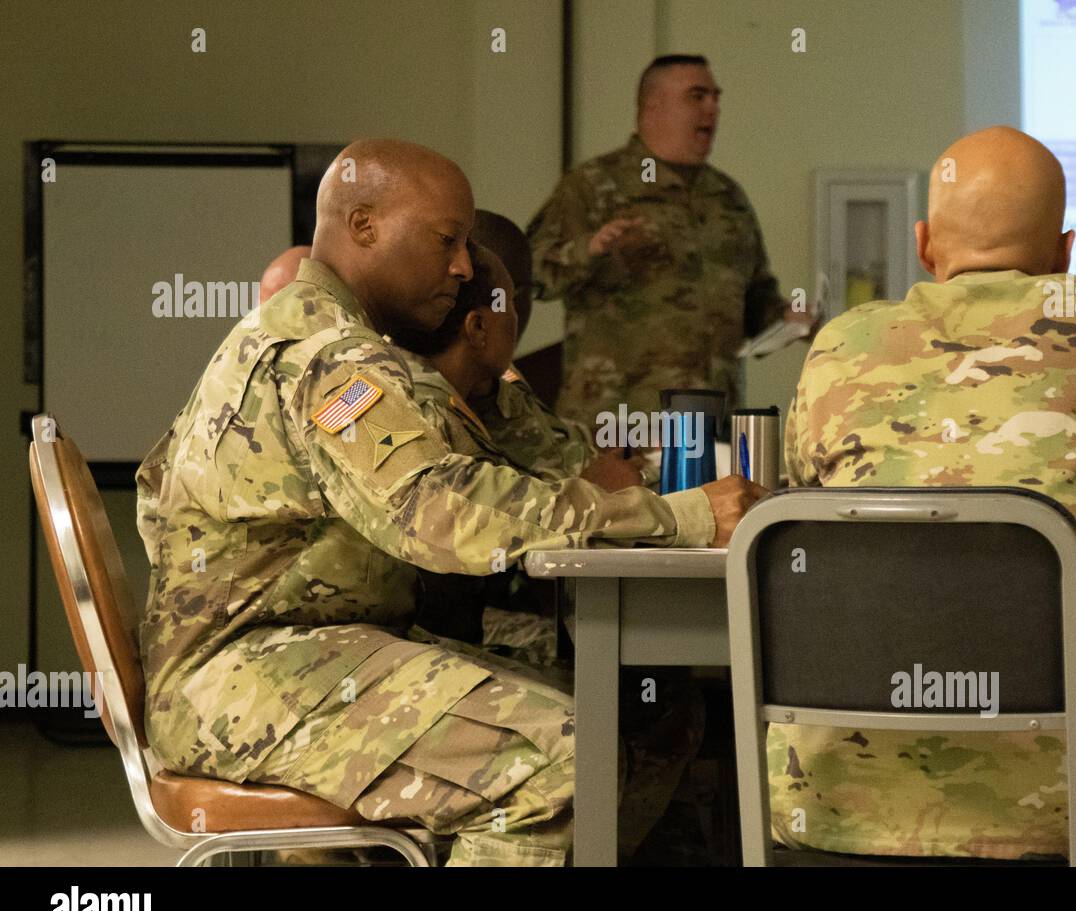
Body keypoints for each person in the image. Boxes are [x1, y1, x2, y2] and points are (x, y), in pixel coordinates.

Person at [135, 138, 762, 866]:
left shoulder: (329, 339)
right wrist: (682, 518)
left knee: (603, 722)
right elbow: (443, 513)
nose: (465, 266)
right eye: (446, 241)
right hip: (244, 676)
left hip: (291, 654)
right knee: (563, 756)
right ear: (364, 226)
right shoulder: (331, 358)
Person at [776, 126, 1076, 865]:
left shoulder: (837, 350)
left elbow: (813, 526)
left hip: (837, 796)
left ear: (925, 244)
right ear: (1064, 253)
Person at [401, 242, 710, 860]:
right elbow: (484, 515)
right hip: (424, 635)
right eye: (514, 308)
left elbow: (592, 473)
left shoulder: (488, 397)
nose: (523, 326)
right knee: (632, 703)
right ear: (479, 324)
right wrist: (667, 511)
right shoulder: (417, 407)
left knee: (658, 687)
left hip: (462, 622)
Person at [527, 54, 811, 429]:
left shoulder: (728, 196)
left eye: (715, 97)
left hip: (712, 423)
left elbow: (754, 298)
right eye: (697, 96)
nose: (713, 108)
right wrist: (589, 250)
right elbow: (531, 271)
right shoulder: (594, 184)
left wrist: (785, 319)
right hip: (619, 426)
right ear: (653, 104)